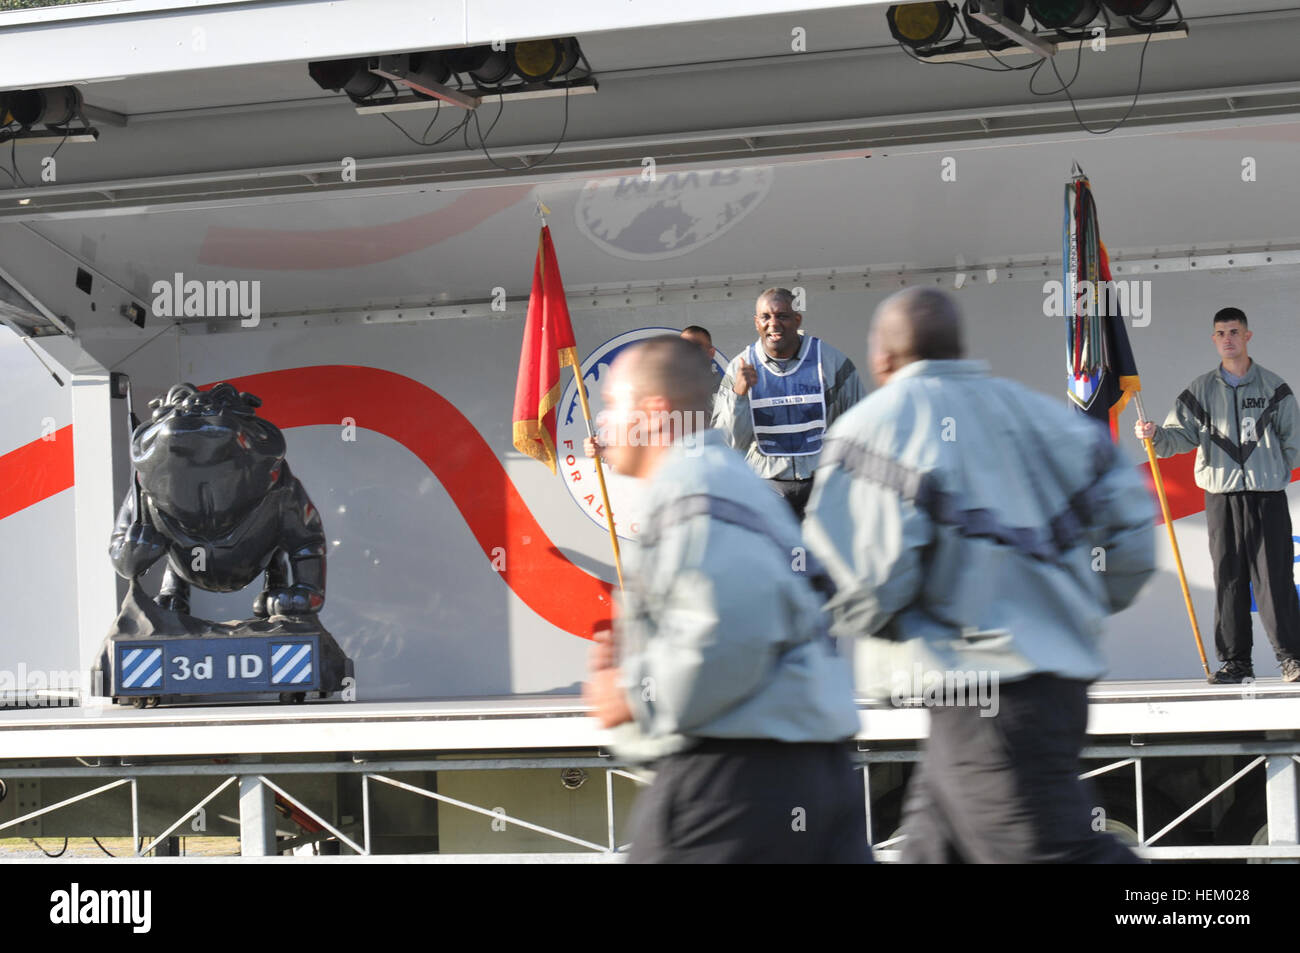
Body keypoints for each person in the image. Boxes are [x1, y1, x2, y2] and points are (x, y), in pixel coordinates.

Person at [804, 287, 1155, 864]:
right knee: (931, 853)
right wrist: (1063, 610)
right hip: (1048, 692)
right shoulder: (1041, 415)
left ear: (882, 357)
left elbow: (865, 585)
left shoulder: (875, 428)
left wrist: (881, 624)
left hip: (980, 696)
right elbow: (1132, 545)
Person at [582, 334, 868, 863]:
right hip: (801, 776)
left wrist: (630, 694)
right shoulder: (733, 484)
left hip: (731, 790)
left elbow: (725, 638)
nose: (600, 424)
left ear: (652, 412)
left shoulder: (693, 491)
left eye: (610, 407)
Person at [1135, 307, 1300, 684]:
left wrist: (1271, 471)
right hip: (1221, 496)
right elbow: (1179, 437)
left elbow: (1294, 442)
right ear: (1214, 340)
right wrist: (1155, 435)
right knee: (1228, 577)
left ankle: (1292, 659)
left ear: (1247, 336)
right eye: (1221, 332)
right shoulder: (1200, 390)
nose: (1228, 338)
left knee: (1274, 579)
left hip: (1267, 496)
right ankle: (1236, 663)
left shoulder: (1274, 387)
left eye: (1235, 331)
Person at [712, 288, 864, 518]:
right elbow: (730, 445)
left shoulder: (829, 361)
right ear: (756, 322)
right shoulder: (740, 368)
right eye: (766, 317)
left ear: (797, 319)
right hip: (766, 486)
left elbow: (860, 426)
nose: (773, 324)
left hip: (822, 485)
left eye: (782, 316)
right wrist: (738, 395)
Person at [584, 326, 718, 463]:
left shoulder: (728, 392)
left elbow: (732, 441)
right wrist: (601, 449)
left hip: (710, 475)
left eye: (696, 347)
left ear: (710, 353)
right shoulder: (657, 391)